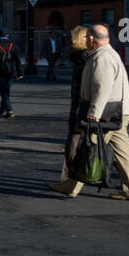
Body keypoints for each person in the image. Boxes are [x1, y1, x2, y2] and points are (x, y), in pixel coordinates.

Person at [48, 24, 129, 201]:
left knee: (87, 148)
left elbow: (102, 88)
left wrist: (94, 112)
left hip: (105, 114)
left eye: (87, 38)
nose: (86, 41)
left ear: (91, 39)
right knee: (124, 153)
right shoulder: (109, 53)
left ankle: (70, 186)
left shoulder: (102, 57)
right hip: (118, 112)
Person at [46, 26, 90, 194]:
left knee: (73, 146)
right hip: (83, 108)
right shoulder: (81, 58)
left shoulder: (84, 59)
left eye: (73, 38)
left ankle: (69, 183)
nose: (70, 41)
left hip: (82, 110)